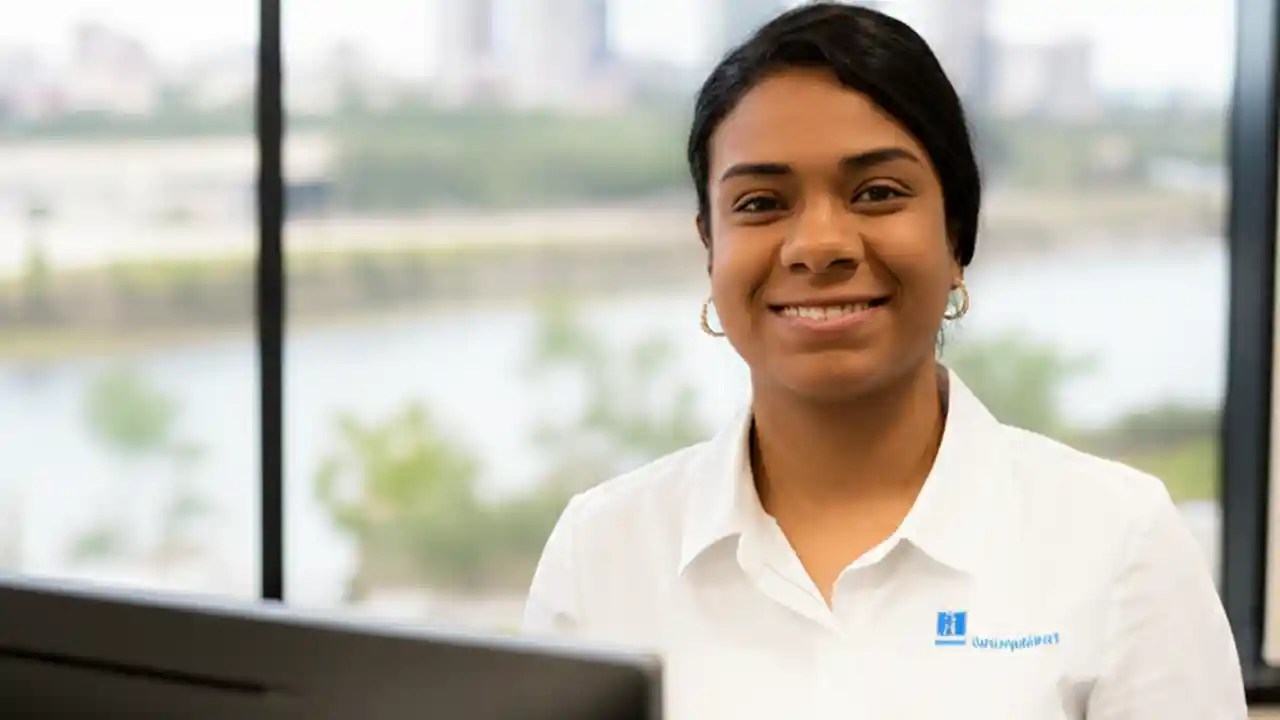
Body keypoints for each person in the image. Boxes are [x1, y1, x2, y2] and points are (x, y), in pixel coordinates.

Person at [523, 3, 1246, 718]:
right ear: (709, 246)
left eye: (877, 193)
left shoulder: (1118, 541)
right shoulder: (602, 553)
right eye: (760, 203)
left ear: (956, 236)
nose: (819, 244)